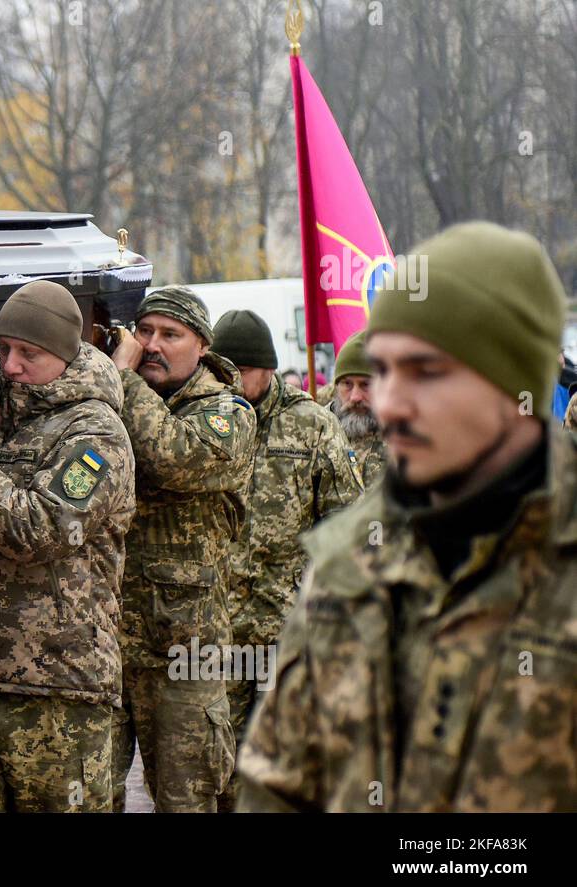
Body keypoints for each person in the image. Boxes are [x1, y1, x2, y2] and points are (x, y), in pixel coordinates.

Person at [238, 221, 577, 812]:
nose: (390, 402)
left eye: (426, 372)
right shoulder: (350, 560)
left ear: (510, 381)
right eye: (385, 370)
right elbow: (279, 785)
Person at [0, 280, 134, 813]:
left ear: (64, 354)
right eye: (3, 349)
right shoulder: (8, 422)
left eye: (27, 353)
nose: (9, 366)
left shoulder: (95, 436)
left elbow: (39, 529)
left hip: (57, 693)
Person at [109, 285, 256, 813]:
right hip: (105, 645)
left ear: (201, 347)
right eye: (144, 331)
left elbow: (178, 456)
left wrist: (121, 377)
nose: (151, 344)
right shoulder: (113, 400)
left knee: (185, 799)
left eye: (171, 335)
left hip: (184, 655)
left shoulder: (227, 412)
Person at [208, 309, 360, 810]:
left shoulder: (312, 425)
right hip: (217, 638)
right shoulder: (205, 418)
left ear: (267, 368)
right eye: (219, 368)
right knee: (219, 774)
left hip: (289, 633)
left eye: (238, 370)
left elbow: (347, 526)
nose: (227, 380)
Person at [330, 331, 385, 488]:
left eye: (365, 385)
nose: (355, 397)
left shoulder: (405, 436)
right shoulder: (318, 432)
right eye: (347, 384)